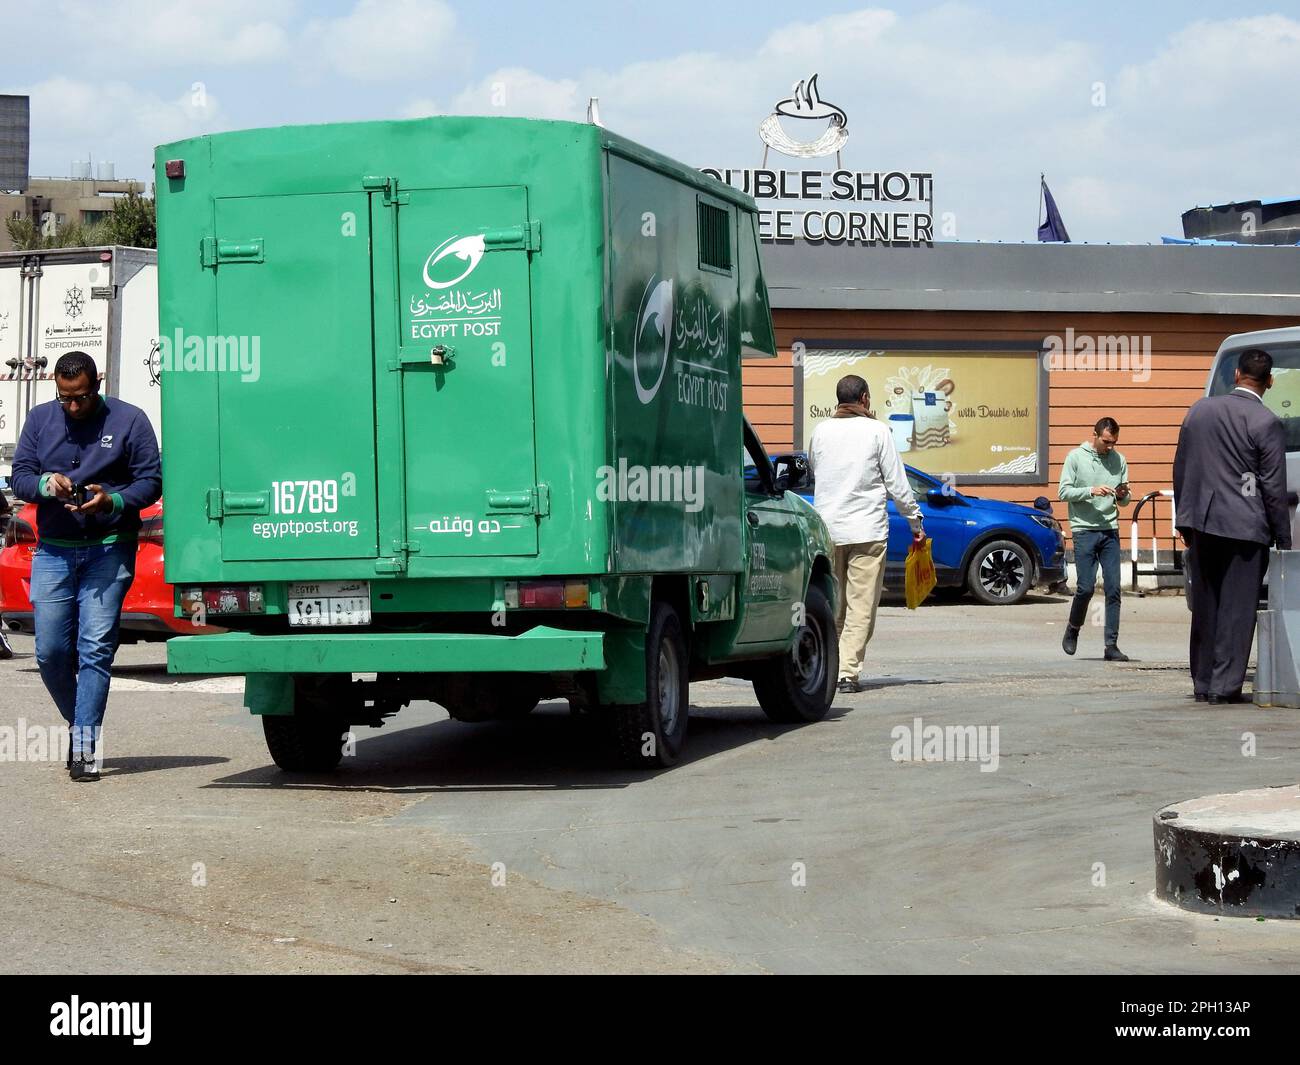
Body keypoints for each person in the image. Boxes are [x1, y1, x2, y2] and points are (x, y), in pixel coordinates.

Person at [10, 351, 161, 779]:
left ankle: (83, 747)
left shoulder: (131, 420)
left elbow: (150, 480)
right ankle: (82, 724)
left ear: (98, 384)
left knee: (95, 649)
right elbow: (20, 475)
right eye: (64, 398)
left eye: (80, 397)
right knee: (50, 652)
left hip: (109, 547)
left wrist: (112, 500)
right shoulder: (40, 420)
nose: (72, 406)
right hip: (54, 549)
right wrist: (45, 483)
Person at [1173, 347, 1290, 704]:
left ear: (1236, 375)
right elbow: (1272, 487)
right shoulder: (1267, 422)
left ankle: (1203, 683)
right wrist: (1283, 538)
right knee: (1237, 611)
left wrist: (1185, 522)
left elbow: (1181, 468)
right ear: (1270, 381)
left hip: (1203, 524)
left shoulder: (1199, 410)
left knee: (1206, 606)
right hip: (1245, 529)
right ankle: (1224, 688)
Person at [808, 374, 924, 695]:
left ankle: (826, 669)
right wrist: (915, 523)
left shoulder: (821, 432)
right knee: (861, 606)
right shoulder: (878, 431)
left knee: (834, 605)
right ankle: (846, 673)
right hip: (867, 532)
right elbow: (898, 485)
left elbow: (816, 469)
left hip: (827, 530)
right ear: (865, 399)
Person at [1058, 417, 1132, 661]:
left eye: (1114, 442)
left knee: (1113, 589)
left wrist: (1122, 495)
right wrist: (1091, 490)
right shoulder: (1075, 457)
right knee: (1085, 588)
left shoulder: (1119, 460)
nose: (1110, 446)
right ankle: (1073, 628)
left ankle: (1111, 645)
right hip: (1084, 530)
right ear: (1095, 435)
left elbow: (1124, 500)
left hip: (1109, 529)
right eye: (1106, 441)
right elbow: (1063, 492)